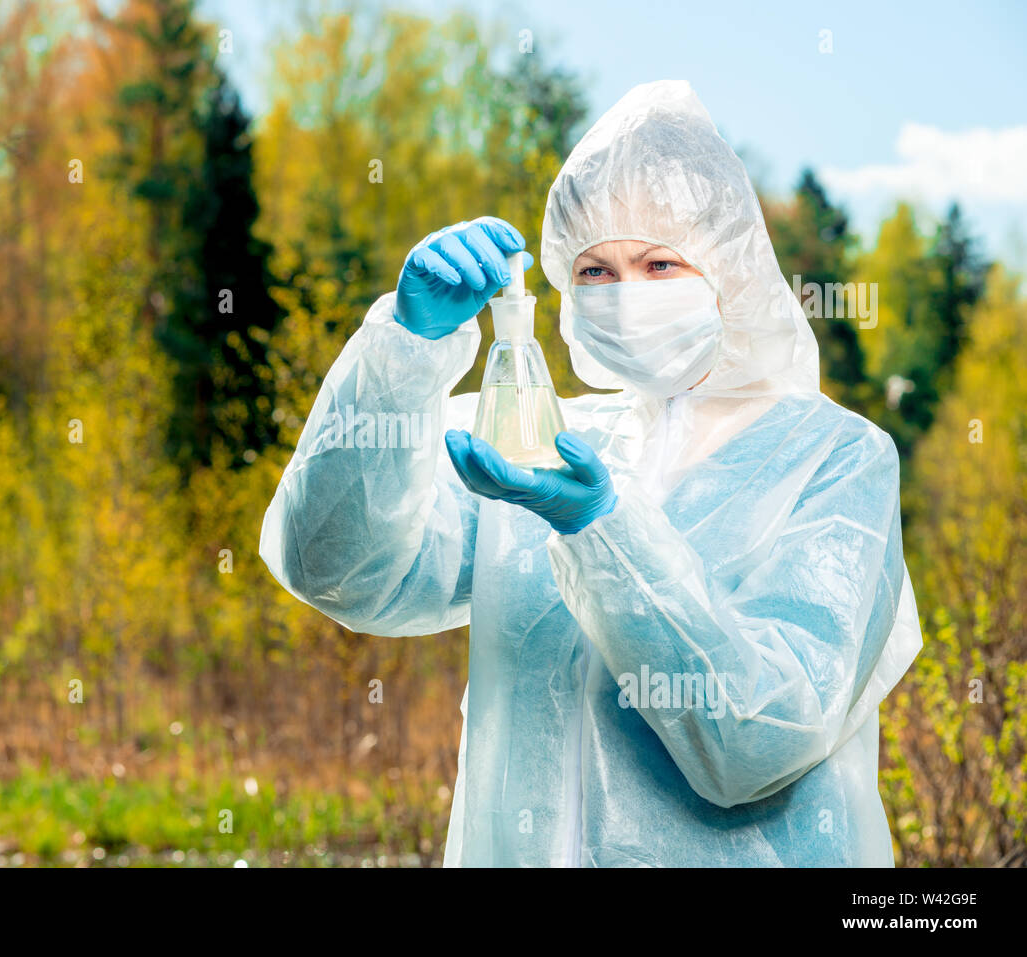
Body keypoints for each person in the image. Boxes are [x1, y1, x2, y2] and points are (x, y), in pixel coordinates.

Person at [258, 79, 923, 867]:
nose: (625, 294)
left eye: (659, 262)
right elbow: (337, 568)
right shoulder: (535, 438)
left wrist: (602, 530)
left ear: (731, 269)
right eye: (595, 271)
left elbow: (759, 740)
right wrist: (403, 351)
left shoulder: (835, 459)